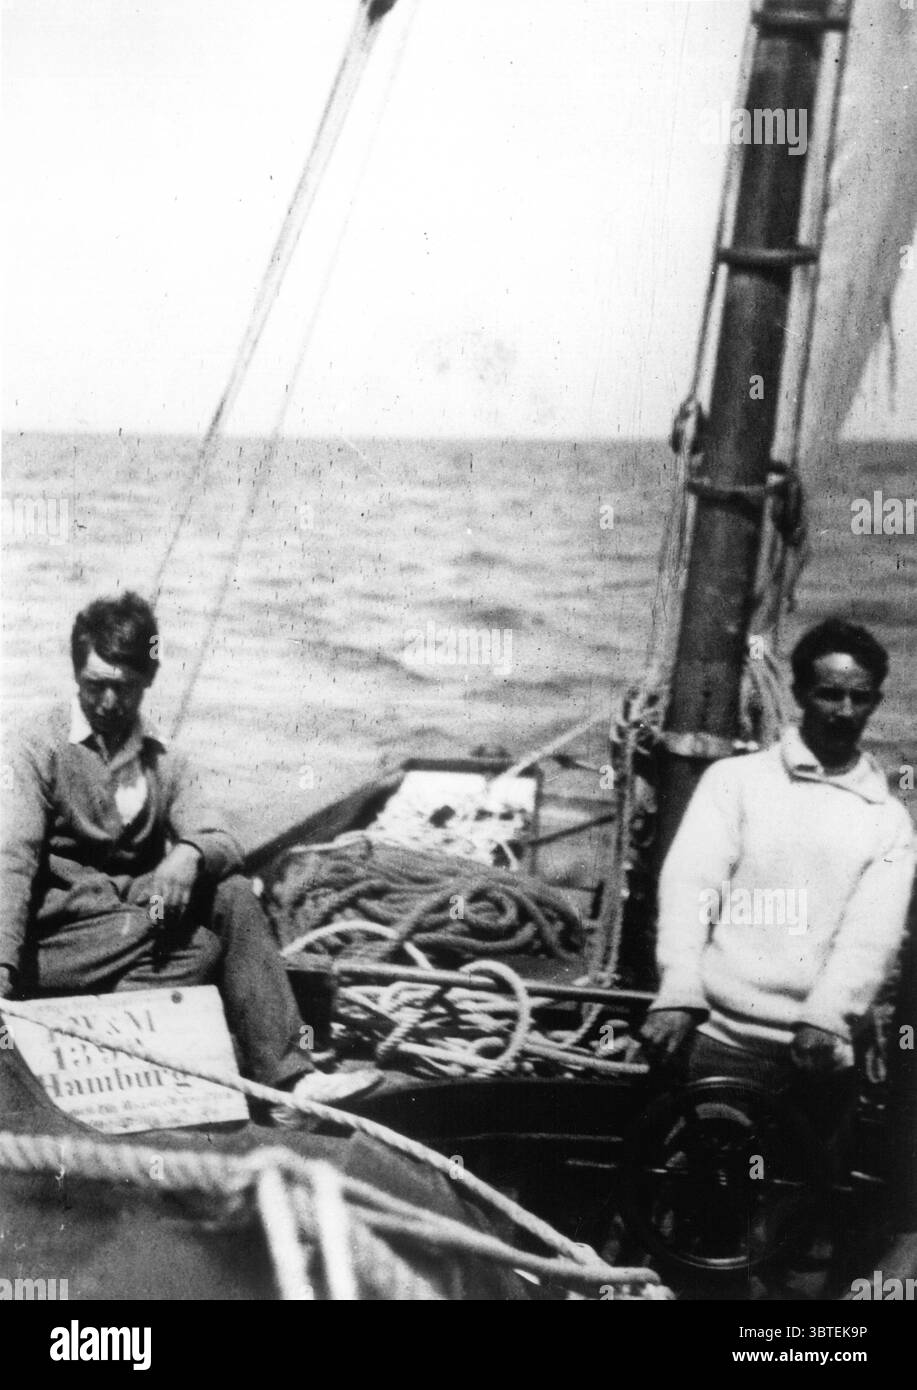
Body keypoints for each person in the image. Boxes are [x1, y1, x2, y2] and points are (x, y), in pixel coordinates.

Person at [0, 591, 373, 1122]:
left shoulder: (165, 759)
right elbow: (11, 857)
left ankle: (291, 1081)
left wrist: (189, 854)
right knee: (200, 952)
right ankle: (128, 1028)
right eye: (94, 685)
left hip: (131, 924)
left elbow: (222, 837)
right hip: (59, 936)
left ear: (148, 679)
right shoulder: (33, 745)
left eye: (123, 689)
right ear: (76, 674)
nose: (107, 703)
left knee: (233, 896)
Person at [641, 617, 915, 1141]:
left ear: (876, 702)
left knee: (789, 1211)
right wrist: (678, 988)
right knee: (672, 1192)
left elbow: (870, 938)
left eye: (859, 698)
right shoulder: (736, 783)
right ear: (799, 694)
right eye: (828, 694)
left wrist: (827, 1018)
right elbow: (689, 890)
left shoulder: (889, 820)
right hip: (714, 1038)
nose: (844, 712)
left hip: (813, 1053)